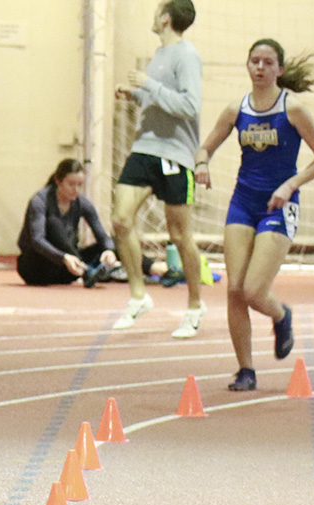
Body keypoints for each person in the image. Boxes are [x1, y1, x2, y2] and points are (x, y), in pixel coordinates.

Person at [195, 40, 314, 391]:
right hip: (243, 202)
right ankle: (246, 370)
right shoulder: (235, 109)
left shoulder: (293, 109)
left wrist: (291, 184)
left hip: (279, 205)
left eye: (267, 62)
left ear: (279, 70)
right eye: (254, 61)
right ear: (247, 65)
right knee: (234, 289)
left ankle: (281, 315)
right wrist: (201, 164)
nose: (259, 67)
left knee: (254, 291)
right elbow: (205, 147)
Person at [111, 0, 205, 337]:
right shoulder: (159, 55)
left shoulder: (186, 55)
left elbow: (189, 105)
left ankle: (195, 305)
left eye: (156, 12)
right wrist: (136, 95)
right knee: (121, 219)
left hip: (174, 155)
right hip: (144, 148)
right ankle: (139, 296)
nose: (153, 16)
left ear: (165, 18)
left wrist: (148, 85)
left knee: (179, 236)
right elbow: (161, 101)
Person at [16, 158, 119, 288]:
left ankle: (141, 270)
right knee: (54, 223)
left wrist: (108, 250)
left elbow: (102, 236)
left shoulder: (82, 203)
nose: (76, 189)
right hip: (37, 267)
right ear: (58, 181)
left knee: (118, 242)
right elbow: (37, 240)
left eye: (80, 185)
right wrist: (63, 257)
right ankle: (88, 270)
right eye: (71, 184)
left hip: (68, 269)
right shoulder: (40, 201)